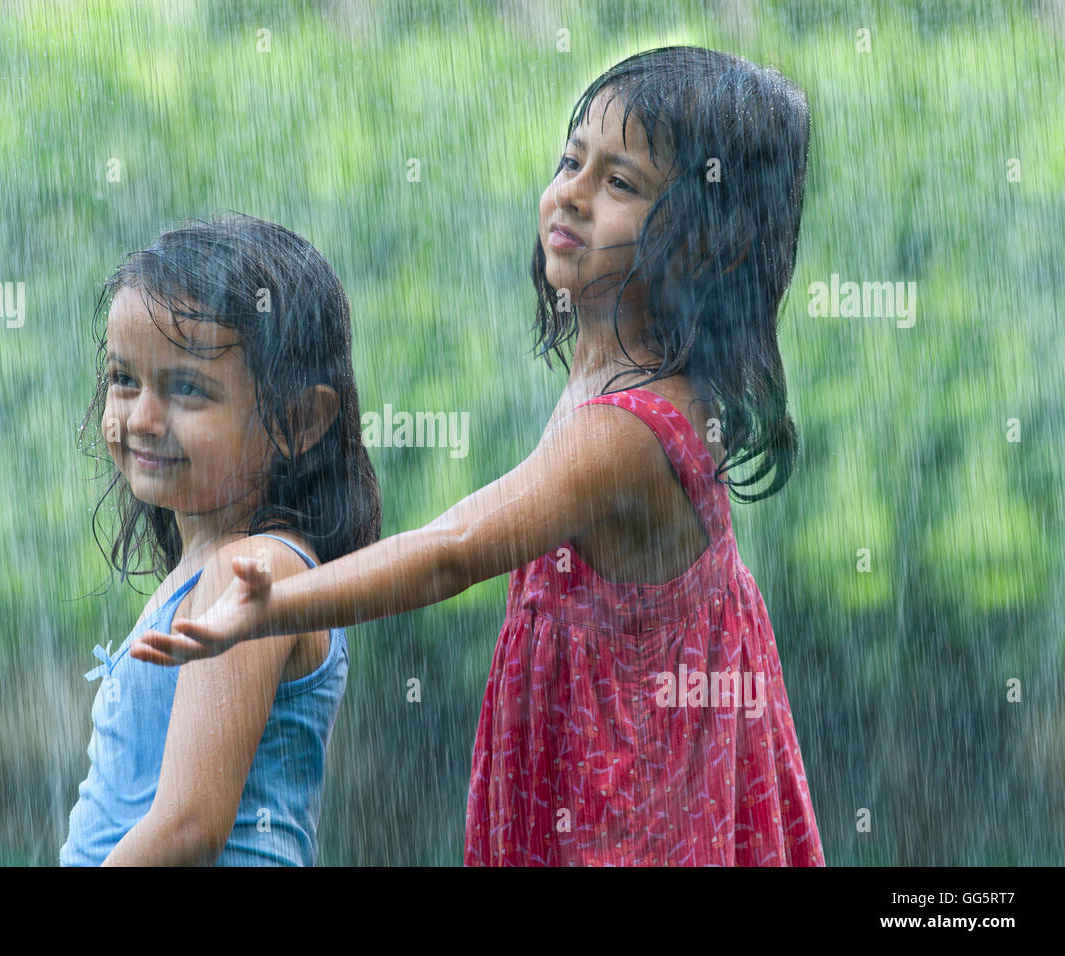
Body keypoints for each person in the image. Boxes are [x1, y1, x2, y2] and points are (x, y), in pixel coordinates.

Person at [134, 47, 825, 866]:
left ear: (714, 246)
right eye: (573, 160)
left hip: (638, 793)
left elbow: (453, 550)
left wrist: (279, 608)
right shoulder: (610, 374)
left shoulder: (628, 434)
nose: (570, 191)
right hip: (616, 756)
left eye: (621, 183)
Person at [60, 213, 381, 865]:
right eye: (125, 378)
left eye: (186, 388)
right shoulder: (208, 569)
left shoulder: (253, 570)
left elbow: (188, 826)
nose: (142, 418)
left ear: (299, 421)